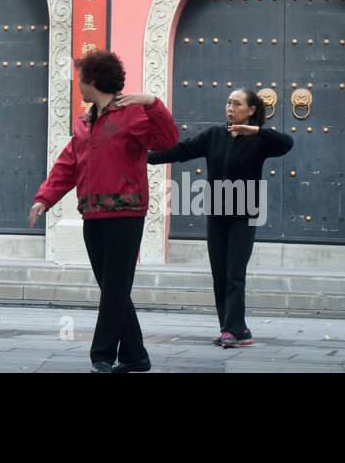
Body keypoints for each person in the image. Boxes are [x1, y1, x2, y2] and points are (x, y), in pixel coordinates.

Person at [29, 50, 177, 373]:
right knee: (114, 288)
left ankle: (102, 355)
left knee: (114, 288)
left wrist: (151, 100)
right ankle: (136, 356)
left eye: (80, 77)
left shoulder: (134, 114)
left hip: (126, 215)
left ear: (92, 80)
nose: (77, 83)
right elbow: (68, 165)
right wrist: (44, 199)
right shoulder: (84, 124)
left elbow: (168, 139)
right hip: (92, 217)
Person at [148, 88, 294, 348]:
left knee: (235, 272)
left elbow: (286, 144)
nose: (229, 107)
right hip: (216, 213)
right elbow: (181, 151)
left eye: (236, 104)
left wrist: (257, 130)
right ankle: (233, 329)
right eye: (228, 103)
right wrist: (144, 157)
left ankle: (233, 329)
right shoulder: (214, 135)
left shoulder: (260, 141)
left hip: (244, 214)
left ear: (250, 110)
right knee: (219, 273)